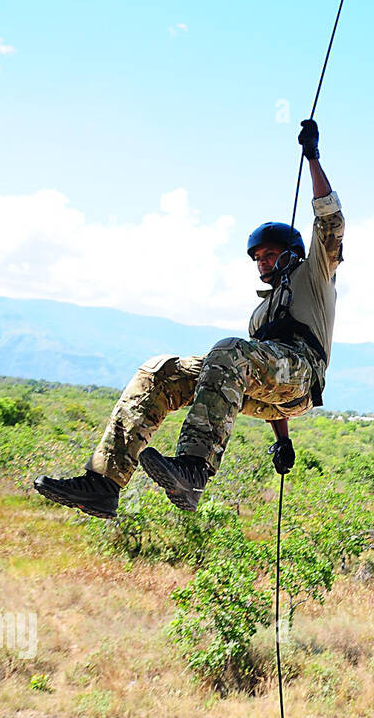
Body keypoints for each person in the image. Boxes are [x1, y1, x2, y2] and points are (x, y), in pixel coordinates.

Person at [33, 120, 344, 517]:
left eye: (269, 254)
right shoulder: (260, 314)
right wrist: (282, 440)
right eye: (257, 257)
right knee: (161, 371)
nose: (263, 262)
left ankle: (193, 470)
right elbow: (258, 377)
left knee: (229, 351)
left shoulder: (315, 272)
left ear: (290, 251)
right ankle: (104, 483)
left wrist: (313, 157)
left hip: (304, 372)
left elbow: (331, 223)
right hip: (273, 392)